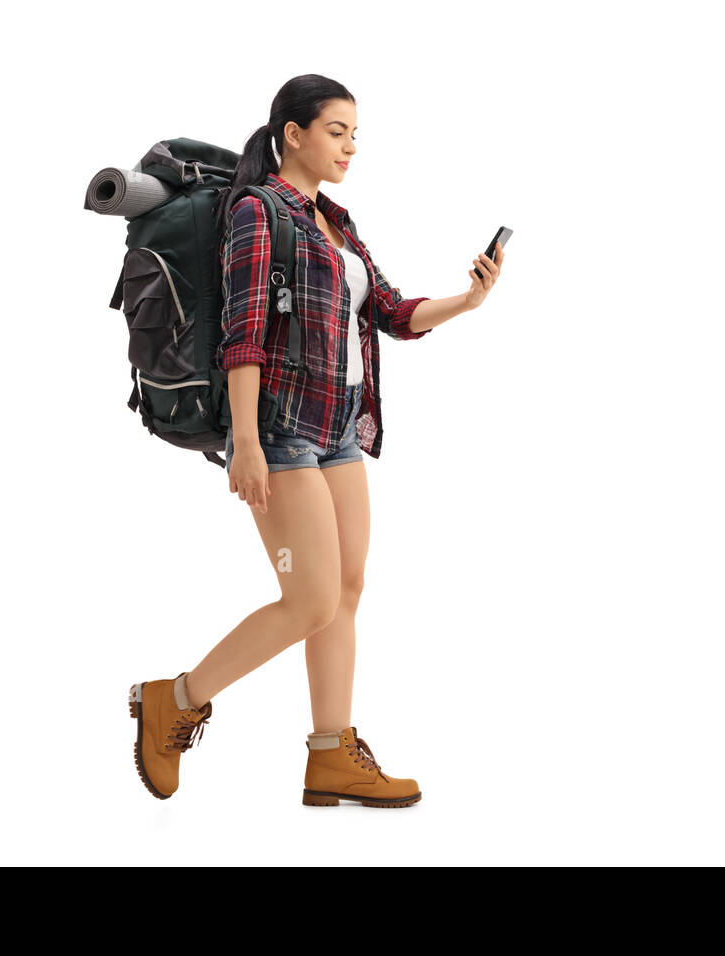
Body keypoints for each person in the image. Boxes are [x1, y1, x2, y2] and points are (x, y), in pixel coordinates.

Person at [128, 74, 504, 806]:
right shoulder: (255, 210)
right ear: (292, 134)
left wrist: (470, 298)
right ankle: (175, 698)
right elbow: (242, 332)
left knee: (346, 590)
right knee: (309, 600)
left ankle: (332, 754)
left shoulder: (337, 220)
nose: (351, 147)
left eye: (356, 134)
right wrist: (244, 442)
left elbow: (391, 311)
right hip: (279, 428)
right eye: (337, 131)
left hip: (339, 425)